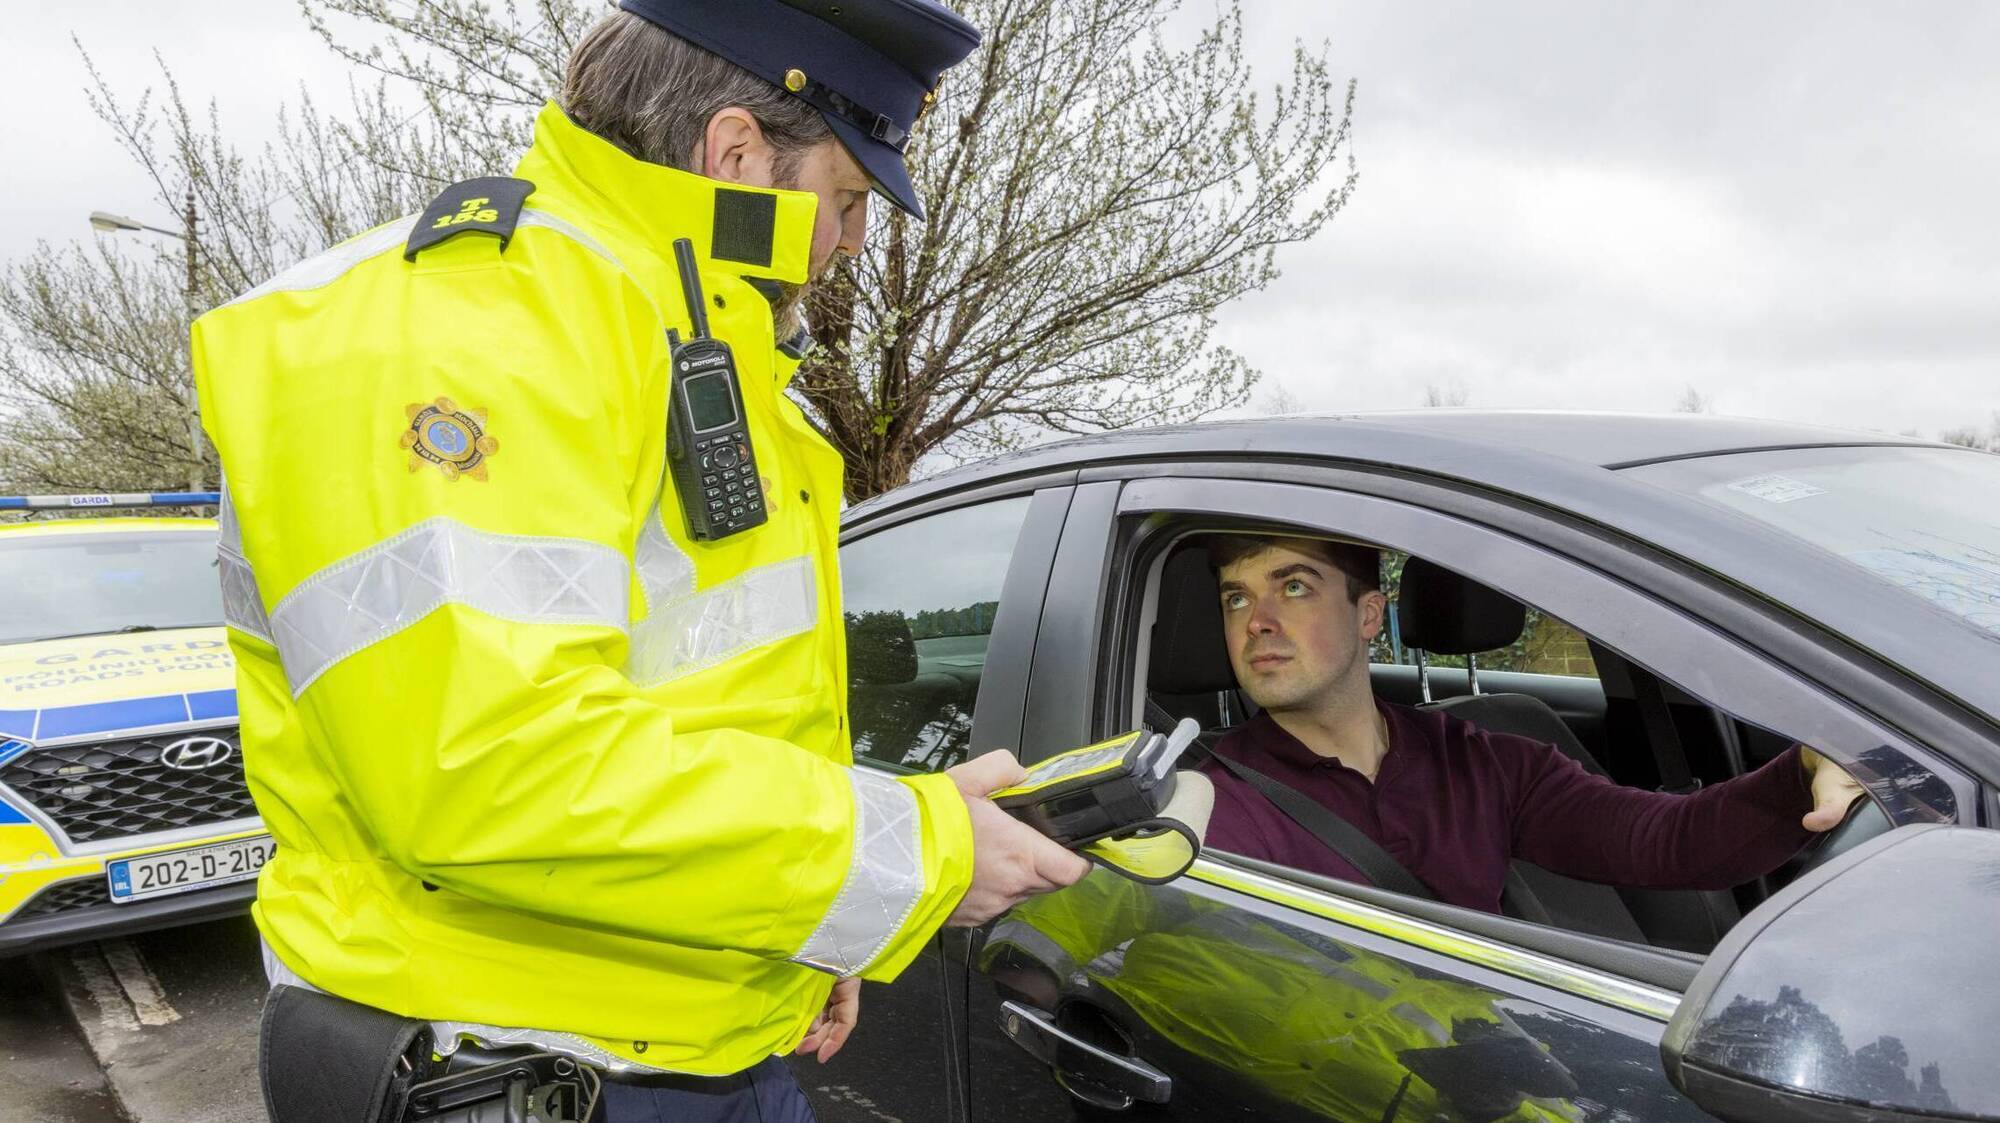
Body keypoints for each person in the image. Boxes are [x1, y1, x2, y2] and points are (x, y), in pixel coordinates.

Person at [191, 2, 1089, 1119]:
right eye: (848, 198)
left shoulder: (665, 328)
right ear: (735, 155)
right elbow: (492, 767)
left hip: (697, 1042)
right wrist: (904, 855)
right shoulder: (469, 326)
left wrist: (829, 911)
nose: (852, 241)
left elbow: (692, 712)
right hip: (529, 1074)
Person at [1194, 534, 1867, 913]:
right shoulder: (1215, 805)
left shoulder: (1480, 761)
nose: (1257, 620)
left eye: (1294, 587)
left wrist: (1806, 768)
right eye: (1236, 597)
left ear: (1370, 615)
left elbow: (1669, 842)